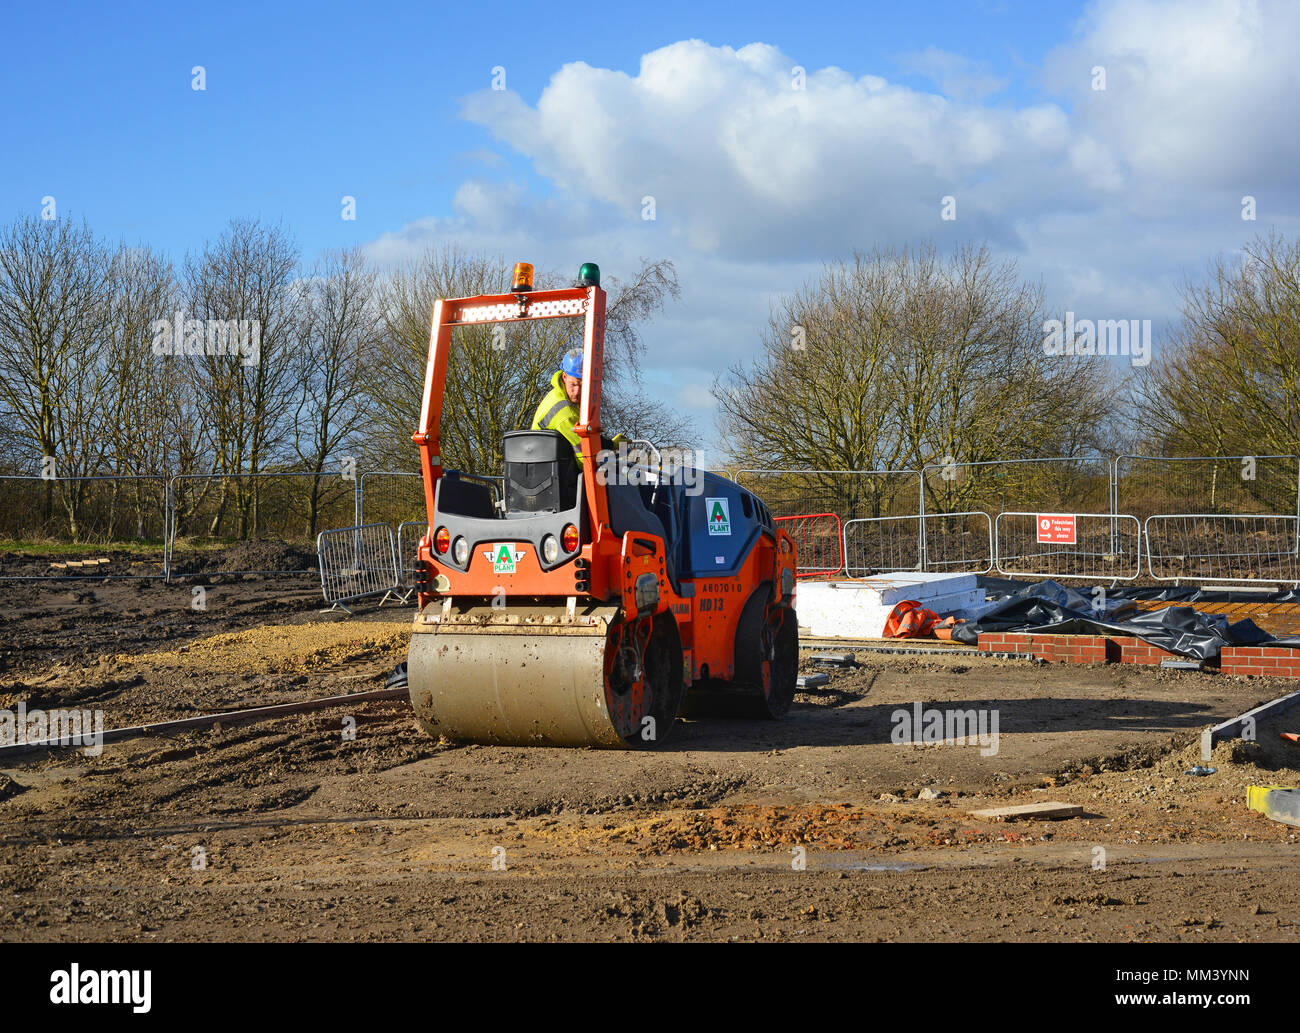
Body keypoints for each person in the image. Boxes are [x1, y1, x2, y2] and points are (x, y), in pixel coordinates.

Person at [531, 347, 622, 463]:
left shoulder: (559, 395)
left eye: (582, 385)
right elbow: (585, 456)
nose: (577, 391)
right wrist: (612, 448)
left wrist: (610, 444)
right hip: (556, 474)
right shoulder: (564, 411)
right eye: (573, 384)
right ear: (564, 377)